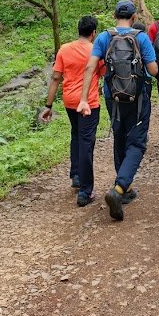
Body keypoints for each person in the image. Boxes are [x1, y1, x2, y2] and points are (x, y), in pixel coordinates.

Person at [78, 0, 158, 222]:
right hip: (137, 98)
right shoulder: (141, 38)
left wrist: (83, 99)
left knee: (119, 136)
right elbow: (153, 69)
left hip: (112, 97)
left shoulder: (104, 37)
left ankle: (126, 188)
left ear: (114, 16)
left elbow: (90, 67)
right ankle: (120, 188)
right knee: (137, 142)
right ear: (134, 17)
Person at [40, 16, 102, 207]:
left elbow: (56, 78)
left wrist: (48, 105)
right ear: (93, 33)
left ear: (78, 30)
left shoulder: (64, 49)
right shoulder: (96, 50)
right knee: (86, 141)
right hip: (88, 103)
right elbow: (103, 73)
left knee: (76, 135)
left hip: (69, 101)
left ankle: (76, 174)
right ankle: (85, 191)